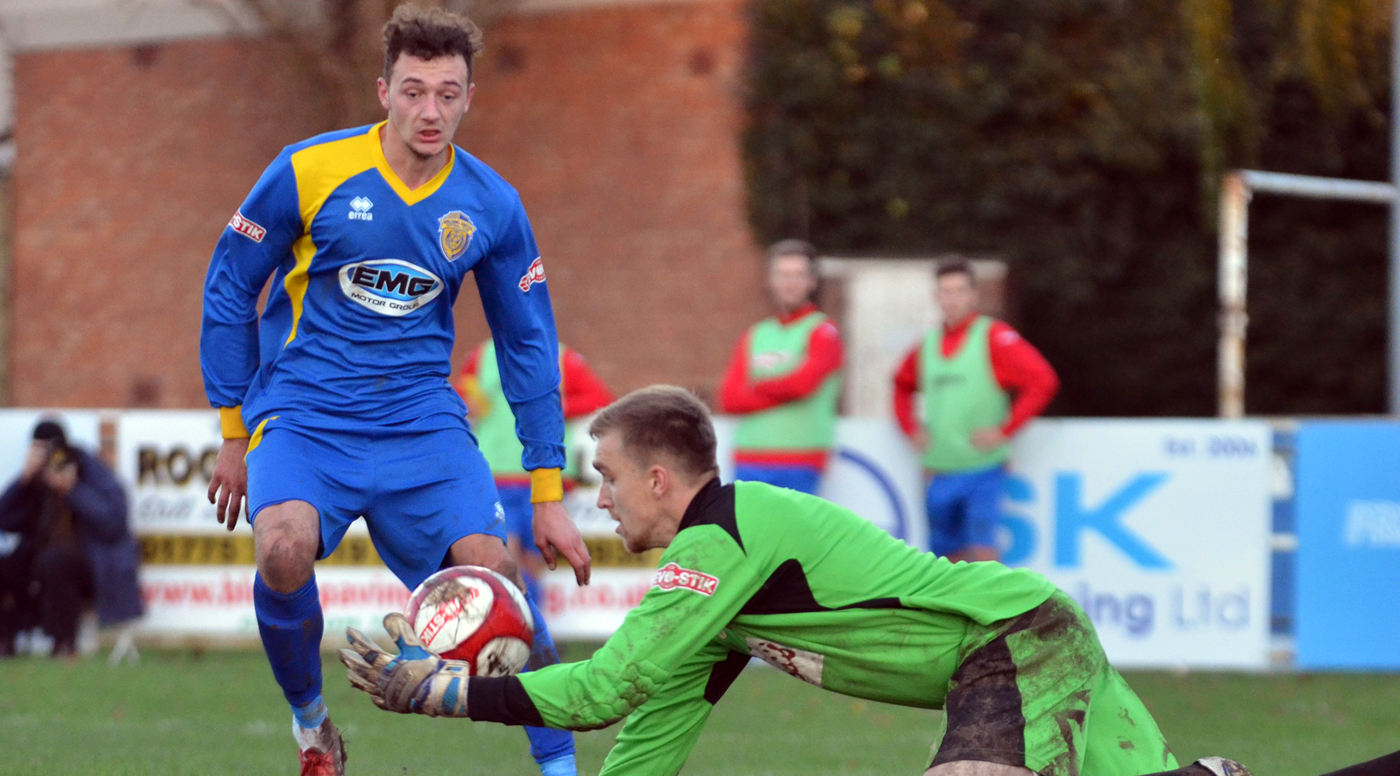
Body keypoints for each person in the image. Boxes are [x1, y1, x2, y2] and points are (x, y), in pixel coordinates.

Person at [341, 385, 1248, 776]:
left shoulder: (724, 540)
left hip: (1013, 639)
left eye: (606, 478)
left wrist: (445, 693)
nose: (600, 499)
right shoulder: (717, 592)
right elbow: (648, 735)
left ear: (658, 480)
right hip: (1015, 644)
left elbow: (602, 690)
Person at [199, 6, 591, 775]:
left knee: (498, 579)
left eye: (448, 93)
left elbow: (527, 342)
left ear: (469, 97)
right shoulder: (308, 170)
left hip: (420, 424)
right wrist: (233, 431)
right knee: (282, 550)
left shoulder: (492, 203)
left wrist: (547, 489)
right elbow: (228, 286)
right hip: (306, 416)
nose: (430, 111)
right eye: (414, 91)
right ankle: (313, 727)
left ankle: (561, 767)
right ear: (384, 92)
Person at [893, 260, 1058, 562]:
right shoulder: (927, 345)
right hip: (939, 468)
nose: (953, 299)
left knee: (983, 551)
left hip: (982, 467)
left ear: (973, 295)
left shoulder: (994, 338)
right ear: (936, 297)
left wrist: (1005, 429)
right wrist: (910, 428)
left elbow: (1042, 381)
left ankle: (992, 597)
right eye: (946, 292)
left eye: (960, 291)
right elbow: (900, 384)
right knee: (945, 558)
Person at [456, 339, 613, 601]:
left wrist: (556, 407)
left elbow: (599, 398)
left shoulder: (562, 357)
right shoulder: (482, 355)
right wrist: (467, 404)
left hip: (546, 476)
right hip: (494, 474)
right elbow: (459, 397)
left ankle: (529, 616)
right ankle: (524, 616)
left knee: (533, 558)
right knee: (503, 555)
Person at [0, 419, 142, 657]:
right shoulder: (34, 481)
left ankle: (64, 644)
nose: (48, 460)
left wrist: (73, 489)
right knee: (7, 566)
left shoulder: (91, 470)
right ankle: (5, 641)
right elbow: (4, 519)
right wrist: (23, 479)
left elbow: (113, 524)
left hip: (91, 562)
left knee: (54, 562)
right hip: (40, 558)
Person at [718, 239, 842, 495]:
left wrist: (757, 387)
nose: (790, 283)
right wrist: (783, 388)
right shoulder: (755, 335)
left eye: (798, 275)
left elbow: (802, 385)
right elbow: (730, 398)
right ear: (770, 280)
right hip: (749, 457)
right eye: (783, 275)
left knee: (794, 524)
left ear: (812, 281)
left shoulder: (823, 331)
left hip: (800, 459)